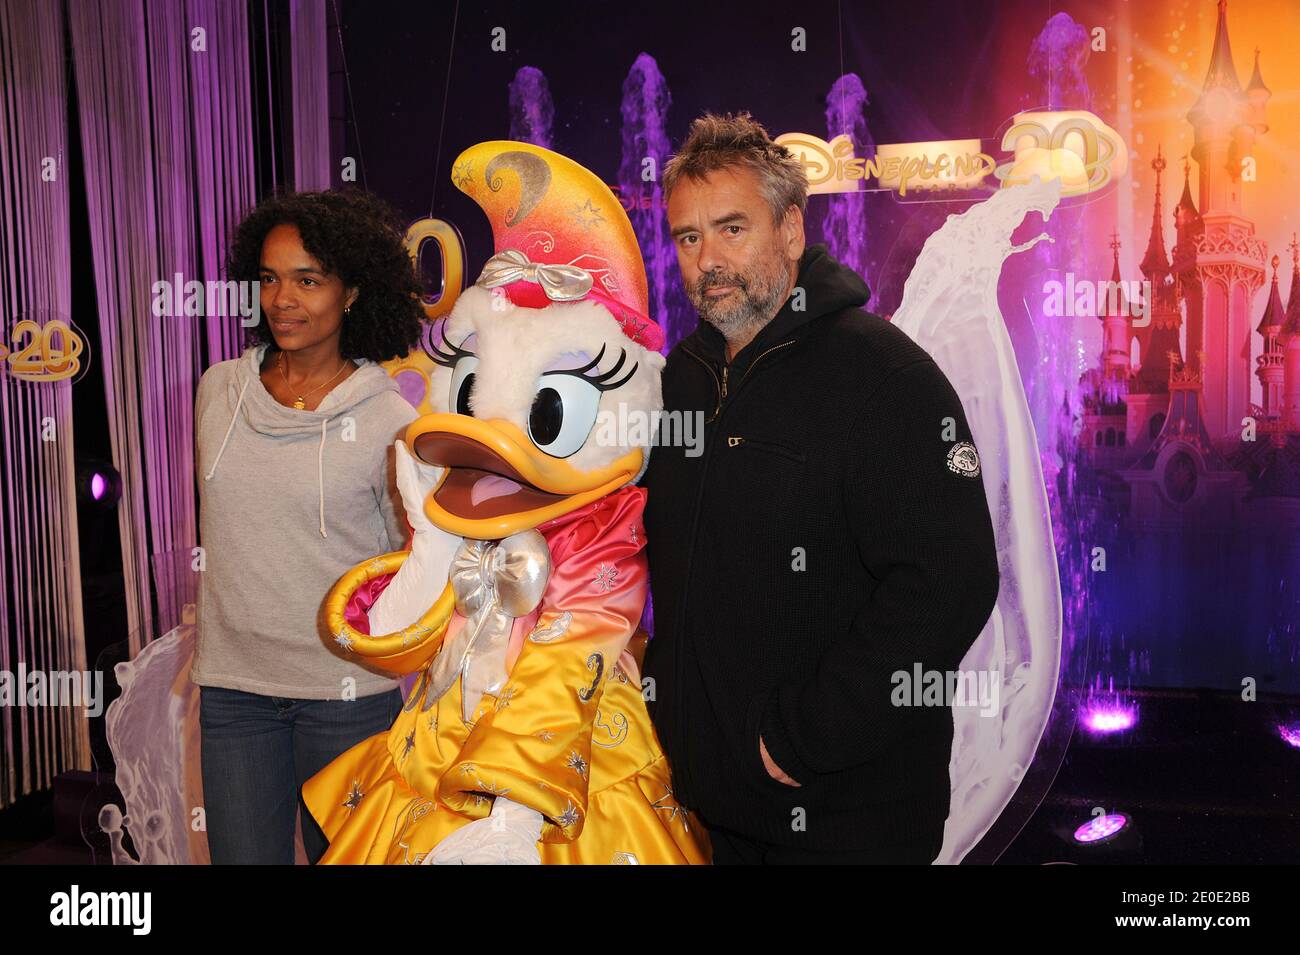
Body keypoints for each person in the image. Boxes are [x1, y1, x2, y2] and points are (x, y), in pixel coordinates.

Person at [642, 112, 1000, 864]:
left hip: (846, 819)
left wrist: (807, 735)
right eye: (688, 237)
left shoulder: (885, 378)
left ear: (792, 231)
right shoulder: (679, 381)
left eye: (732, 228)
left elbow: (952, 583)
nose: (709, 259)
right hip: (712, 812)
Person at [191, 189, 425, 864]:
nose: (281, 299)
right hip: (235, 694)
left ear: (351, 292)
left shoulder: (387, 420)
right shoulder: (217, 393)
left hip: (345, 697)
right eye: (268, 278)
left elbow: (407, 564)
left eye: (307, 280)